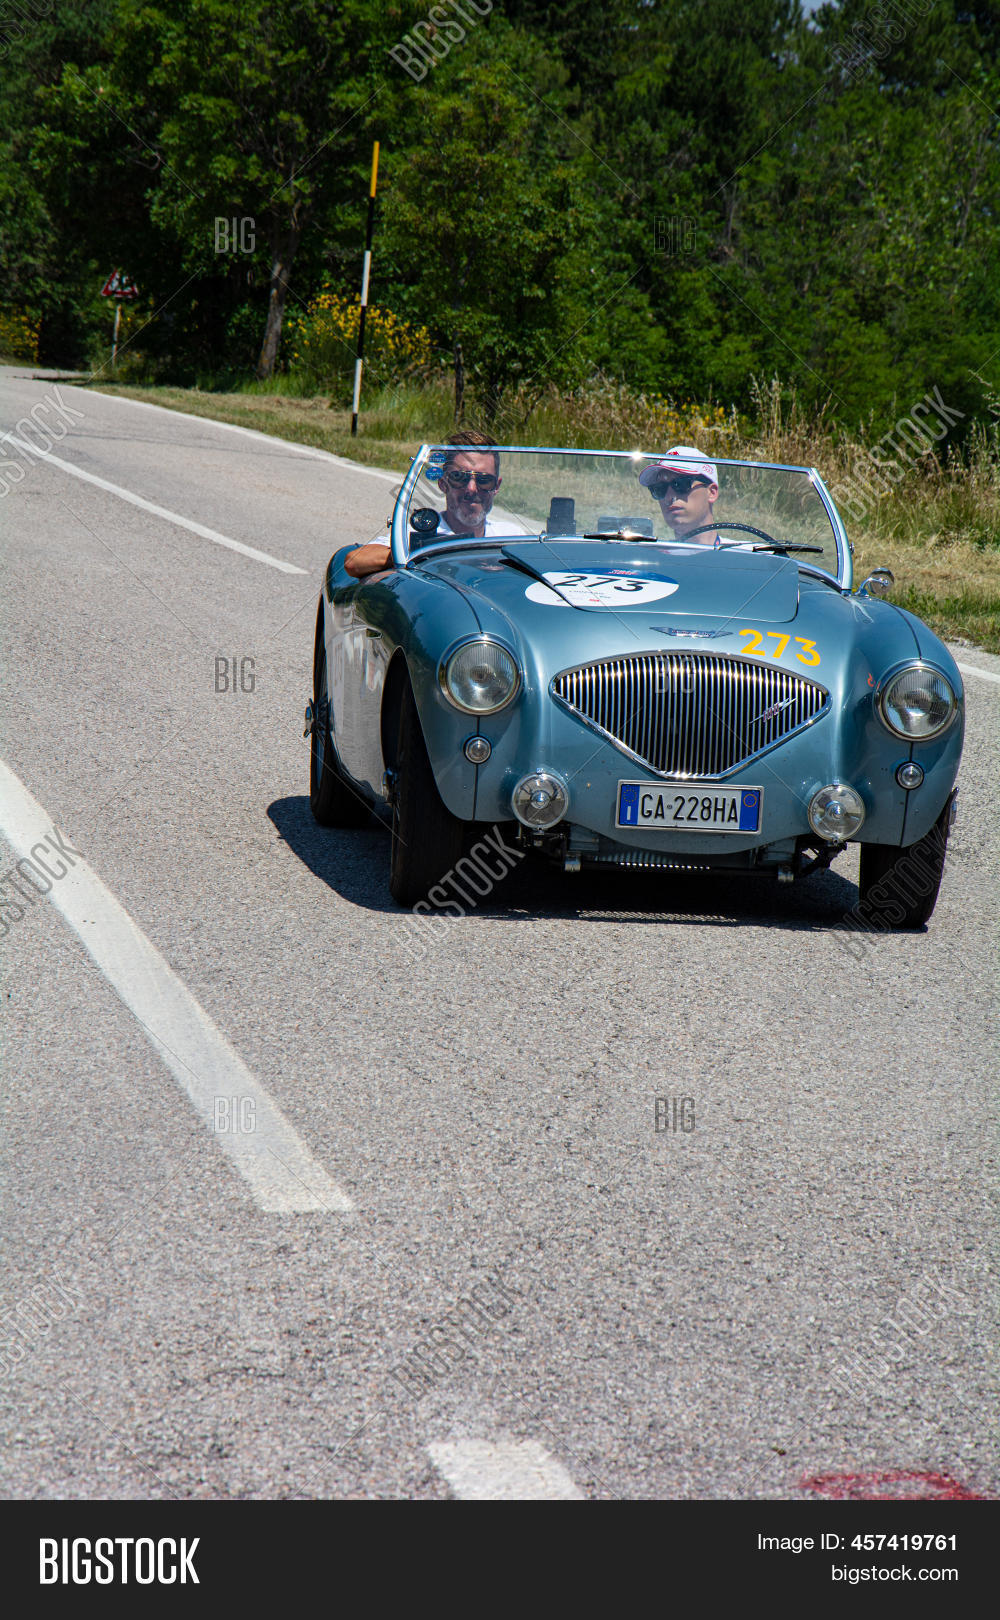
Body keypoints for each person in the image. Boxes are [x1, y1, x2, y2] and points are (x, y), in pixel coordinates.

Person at [344, 429, 513, 577]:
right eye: (459, 478)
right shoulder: (418, 536)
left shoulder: (511, 536)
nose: (471, 489)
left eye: (484, 481)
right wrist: (426, 550)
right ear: (442, 483)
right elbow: (354, 562)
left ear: (496, 486)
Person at [638, 445, 720, 544]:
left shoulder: (739, 555)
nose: (669, 497)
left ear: (711, 492)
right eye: (659, 488)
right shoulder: (650, 557)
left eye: (681, 484)